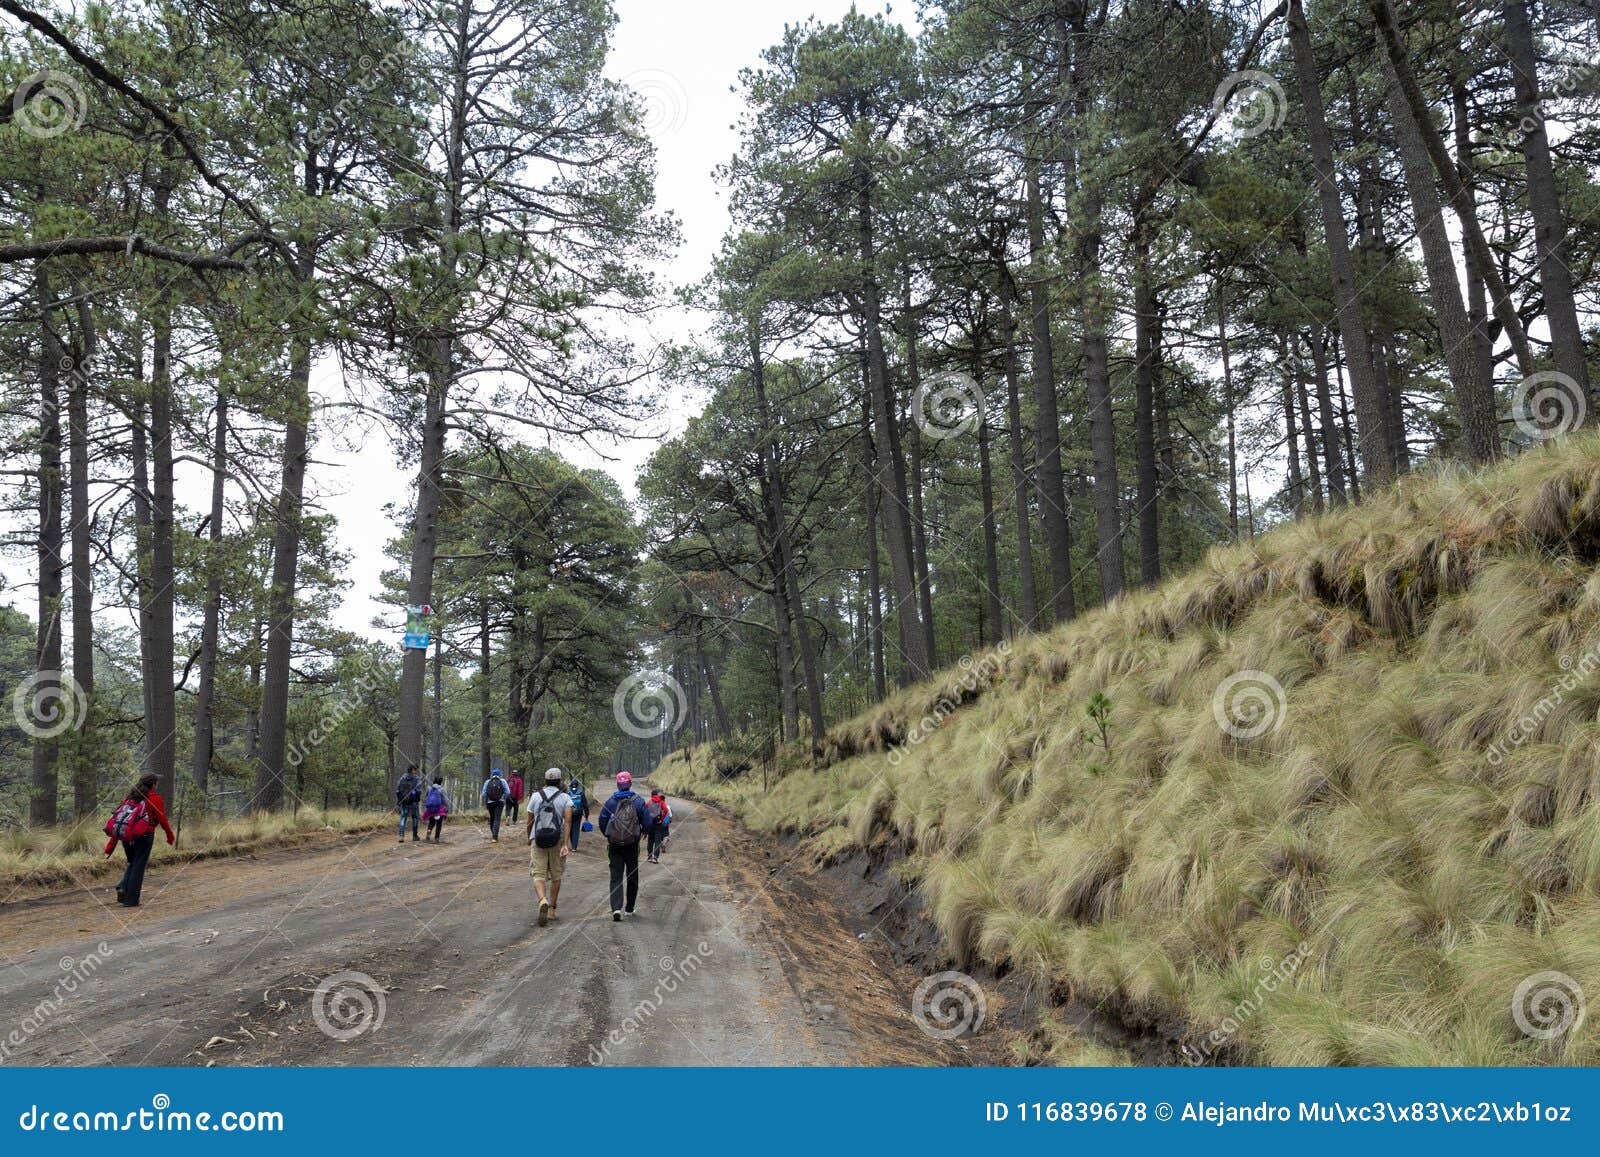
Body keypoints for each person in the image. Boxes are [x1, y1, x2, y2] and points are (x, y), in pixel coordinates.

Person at [103, 773, 175, 907]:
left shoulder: (131, 796)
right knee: (138, 866)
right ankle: (131, 900)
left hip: (127, 837)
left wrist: (110, 846)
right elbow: (162, 819)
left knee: (132, 862)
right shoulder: (155, 798)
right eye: (156, 783)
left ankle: (123, 887)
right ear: (153, 784)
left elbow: (120, 820)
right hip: (145, 835)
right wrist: (169, 835)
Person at [597, 771, 654, 921]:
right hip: (632, 844)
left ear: (617, 784)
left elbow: (602, 821)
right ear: (630, 784)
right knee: (632, 875)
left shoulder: (610, 802)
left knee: (616, 876)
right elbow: (647, 822)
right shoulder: (638, 801)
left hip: (614, 845)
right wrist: (643, 831)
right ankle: (629, 908)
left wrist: (609, 835)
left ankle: (616, 908)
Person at [524, 768, 574, 927]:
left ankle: (542, 900)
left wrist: (529, 837)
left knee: (538, 873)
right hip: (557, 841)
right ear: (560, 782)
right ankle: (552, 908)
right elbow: (568, 821)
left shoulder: (535, 796)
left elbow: (530, 821)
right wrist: (565, 844)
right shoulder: (565, 797)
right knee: (556, 875)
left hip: (537, 840)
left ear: (545, 781)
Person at [481, 768, 511, 842]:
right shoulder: (502, 781)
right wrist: (502, 798)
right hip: (499, 802)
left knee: (492, 818)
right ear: (499, 775)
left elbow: (483, 794)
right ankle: (495, 837)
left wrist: (489, 798)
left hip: (490, 803)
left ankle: (493, 833)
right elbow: (508, 792)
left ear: (492, 775)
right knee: (497, 819)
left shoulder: (488, 782)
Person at [395, 765, 423, 843]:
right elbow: (419, 791)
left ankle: (401, 835)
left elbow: (397, 790)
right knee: (415, 818)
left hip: (404, 801)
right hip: (413, 802)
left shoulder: (402, 778)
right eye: (415, 770)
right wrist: (416, 798)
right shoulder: (417, 779)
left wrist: (399, 800)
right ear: (412, 770)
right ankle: (414, 836)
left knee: (403, 817)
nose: (416, 771)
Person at [646, 790, 671, 864]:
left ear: (651, 795)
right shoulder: (661, 801)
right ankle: (655, 858)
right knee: (657, 841)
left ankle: (649, 857)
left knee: (650, 840)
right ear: (657, 794)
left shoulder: (649, 802)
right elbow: (666, 810)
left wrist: (648, 819)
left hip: (651, 824)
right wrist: (661, 819)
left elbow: (644, 810)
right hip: (658, 824)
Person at [423, 776, 451, 841]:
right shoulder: (442, 789)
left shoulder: (430, 789)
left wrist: (427, 806)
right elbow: (446, 800)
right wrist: (447, 808)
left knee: (431, 823)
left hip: (430, 809)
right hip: (439, 809)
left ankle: (428, 833)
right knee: (439, 824)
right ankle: (437, 838)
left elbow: (427, 798)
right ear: (440, 782)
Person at [567, 777, 589, 851]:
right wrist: (586, 815)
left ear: (571, 785)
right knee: (576, 829)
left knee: (570, 828)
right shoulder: (581, 793)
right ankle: (574, 847)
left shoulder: (568, 793)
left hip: (569, 813)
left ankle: (572, 844)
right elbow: (585, 805)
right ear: (577, 785)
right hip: (578, 813)